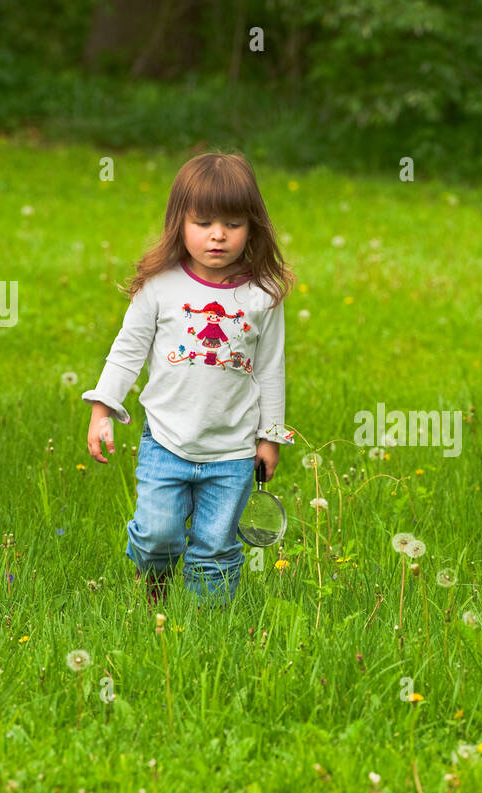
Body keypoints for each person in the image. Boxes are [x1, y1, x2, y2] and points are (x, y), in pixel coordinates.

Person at [82, 152, 295, 607]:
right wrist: (103, 408)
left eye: (233, 224)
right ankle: (154, 580)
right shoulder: (159, 287)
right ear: (179, 223)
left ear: (253, 228)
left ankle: (205, 632)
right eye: (203, 222)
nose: (218, 235)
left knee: (215, 549)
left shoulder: (262, 297)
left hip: (233, 451)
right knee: (157, 535)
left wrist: (269, 438)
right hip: (166, 441)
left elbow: (272, 369)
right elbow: (127, 352)